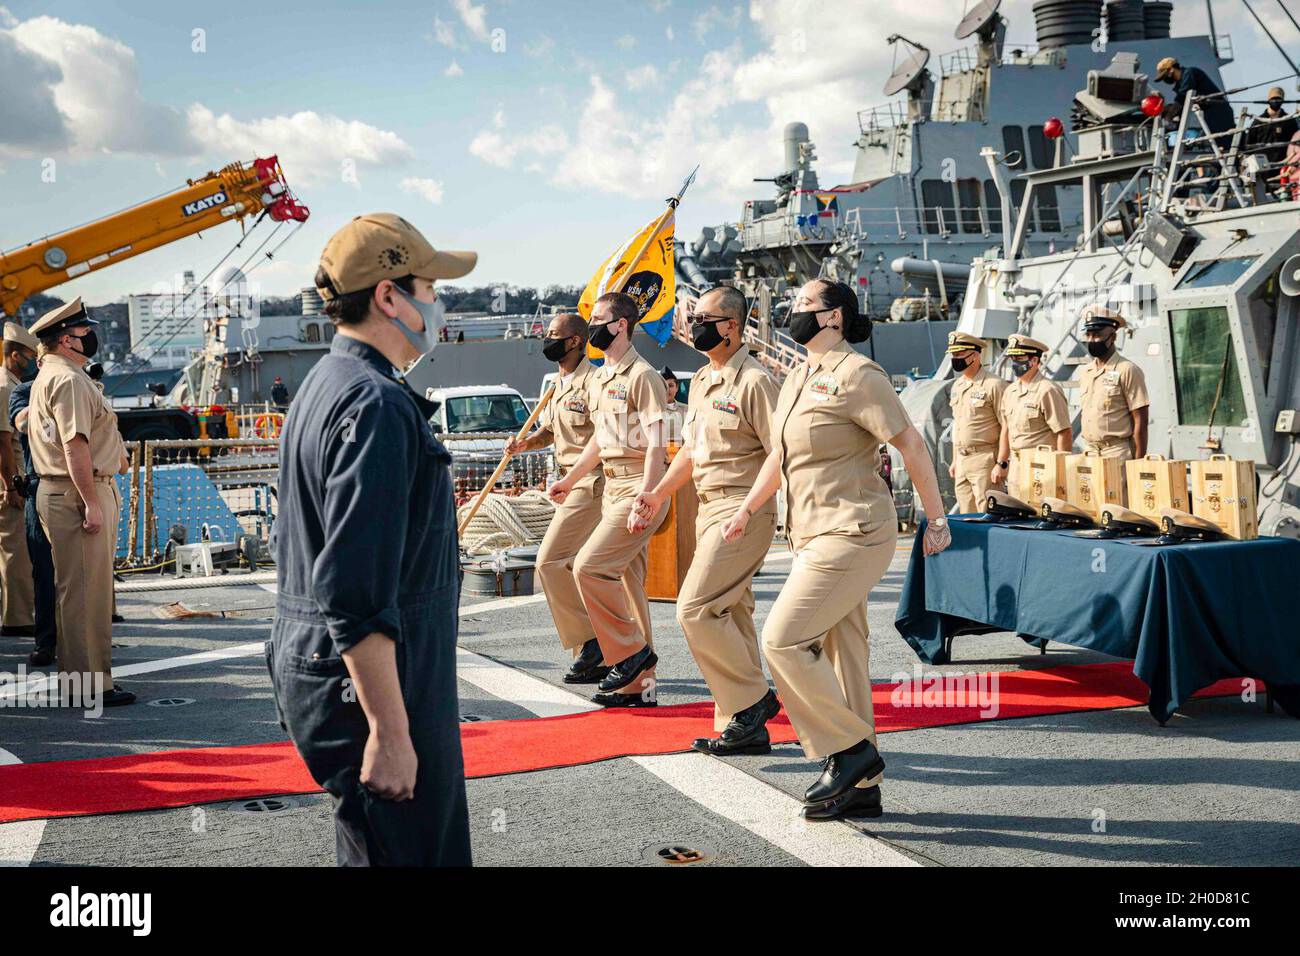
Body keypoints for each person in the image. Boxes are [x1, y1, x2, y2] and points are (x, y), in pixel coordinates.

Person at [269, 212, 474, 866]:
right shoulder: (377, 404)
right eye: (430, 286)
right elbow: (354, 589)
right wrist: (389, 729)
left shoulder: (325, 385)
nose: (439, 302)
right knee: (415, 854)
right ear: (391, 296)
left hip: (323, 672)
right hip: (379, 684)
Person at [720, 279, 951, 821]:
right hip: (811, 533)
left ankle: (848, 750)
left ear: (834, 318)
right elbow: (779, 457)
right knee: (846, 655)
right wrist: (748, 508)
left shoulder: (858, 375)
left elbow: (911, 444)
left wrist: (937, 520)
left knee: (782, 639)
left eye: (803, 306)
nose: (792, 313)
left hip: (854, 531)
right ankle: (862, 785)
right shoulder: (799, 374)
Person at [631, 285, 781, 754]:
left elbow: (783, 452)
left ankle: (754, 701)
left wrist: (749, 508)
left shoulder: (755, 382)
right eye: (693, 318)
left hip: (742, 507)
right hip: (707, 506)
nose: (695, 326)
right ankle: (744, 725)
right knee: (731, 612)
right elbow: (692, 452)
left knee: (693, 609)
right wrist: (657, 494)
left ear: (732, 326)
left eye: (704, 319)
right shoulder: (701, 381)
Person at [504, 313, 648, 683]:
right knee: (590, 569)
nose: (547, 339)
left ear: (575, 341)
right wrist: (525, 444)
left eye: (555, 334)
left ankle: (597, 642)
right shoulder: (556, 383)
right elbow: (550, 431)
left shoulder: (594, 382)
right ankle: (606, 650)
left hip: (596, 483)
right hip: (569, 482)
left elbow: (609, 434)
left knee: (552, 562)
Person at [549, 291, 668, 708]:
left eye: (598, 318)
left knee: (589, 567)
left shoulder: (644, 376)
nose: (592, 325)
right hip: (611, 487)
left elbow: (657, 445)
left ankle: (630, 652)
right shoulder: (600, 377)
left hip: (638, 486)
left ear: (620, 325)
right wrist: (570, 479)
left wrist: (648, 495)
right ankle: (640, 686)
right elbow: (600, 440)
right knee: (628, 587)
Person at [28, 298, 133, 707]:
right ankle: (89, 686)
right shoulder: (69, 380)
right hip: (76, 493)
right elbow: (75, 447)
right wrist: (91, 501)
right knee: (87, 594)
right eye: (84, 332)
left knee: (80, 591)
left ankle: (87, 680)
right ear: (66, 339)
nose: (90, 338)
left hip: (65, 491)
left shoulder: (57, 374)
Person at [9, 377, 57, 667]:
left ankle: (86, 637)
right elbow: (21, 423)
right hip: (40, 485)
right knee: (43, 570)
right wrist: (52, 394)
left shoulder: (81, 386)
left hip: (82, 484)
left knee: (84, 573)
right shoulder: (25, 391)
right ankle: (46, 641)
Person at [995, 333, 1072, 496]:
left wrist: (1061, 470)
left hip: (1041, 466)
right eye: (1013, 359)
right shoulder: (1010, 392)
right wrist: (1001, 463)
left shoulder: (1047, 390)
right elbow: (1006, 430)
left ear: (1034, 361)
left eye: (1019, 359)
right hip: (1016, 466)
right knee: (1018, 517)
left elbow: (1063, 432)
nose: (1015, 363)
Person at [0, 322, 38, 639]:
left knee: (14, 550)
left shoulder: (9, 384)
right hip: (10, 483)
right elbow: (2, 442)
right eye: (28, 355)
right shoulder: (5, 387)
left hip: (12, 478)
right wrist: (11, 485)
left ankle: (16, 614)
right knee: (16, 552)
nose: (31, 361)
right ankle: (17, 619)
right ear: (14, 356)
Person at [945, 331, 1008, 513]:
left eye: (959, 354)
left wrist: (1002, 462)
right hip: (963, 460)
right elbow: (958, 424)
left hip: (985, 459)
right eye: (953, 355)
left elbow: (1006, 426)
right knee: (967, 515)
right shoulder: (958, 386)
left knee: (986, 512)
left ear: (975, 355)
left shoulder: (994, 385)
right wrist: (956, 459)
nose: (955, 359)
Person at [1076, 305, 1149, 461]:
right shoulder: (1085, 373)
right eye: (1088, 335)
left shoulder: (1127, 370)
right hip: (1089, 451)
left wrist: (1139, 463)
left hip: (1117, 452)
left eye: (1097, 335)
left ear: (1113, 337)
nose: (1091, 340)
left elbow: (1140, 421)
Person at [1156, 57, 1234, 144]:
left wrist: (1168, 117)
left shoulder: (1190, 73)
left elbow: (1182, 98)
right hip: (1208, 114)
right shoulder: (1181, 84)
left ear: (1171, 70)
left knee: (1227, 143)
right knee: (1218, 143)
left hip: (1218, 112)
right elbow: (1182, 105)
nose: (1164, 80)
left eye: (1164, 76)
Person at [1248, 87, 1299, 168]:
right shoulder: (1258, 122)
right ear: (1268, 100)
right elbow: (1248, 146)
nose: (1275, 101)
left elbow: (1296, 143)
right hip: (1262, 168)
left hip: (1283, 168)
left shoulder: (1289, 121)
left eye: (1279, 99)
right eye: (1273, 98)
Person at [660, 366, 684, 446]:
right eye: (664, 386)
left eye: (670, 385)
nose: (667, 389)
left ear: (677, 387)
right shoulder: (652, 409)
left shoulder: (687, 410)